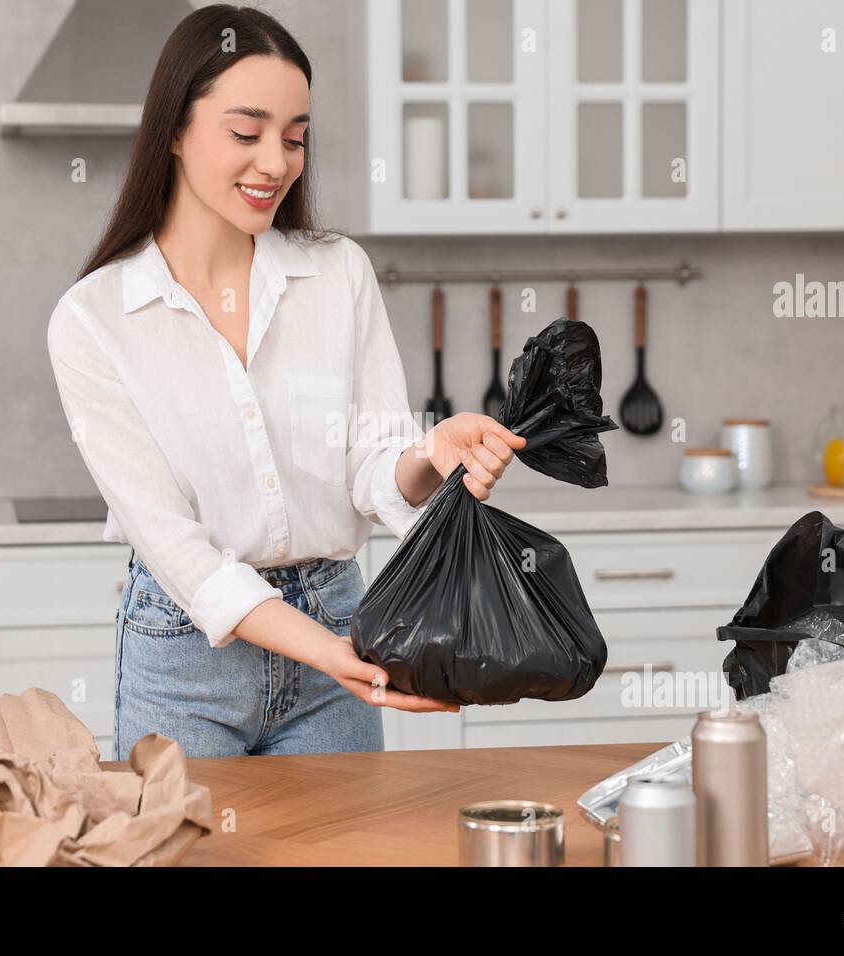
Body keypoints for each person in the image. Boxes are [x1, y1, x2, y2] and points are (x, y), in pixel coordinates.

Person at [47, 5, 525, 759]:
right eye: (246, 133)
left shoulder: (336, 273)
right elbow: (181, 554)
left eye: (295, 137)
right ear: (173, 129)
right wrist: (326, 650)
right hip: (186, 662)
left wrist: (433, 450)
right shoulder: (96, 318)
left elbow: (370, 467)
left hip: (340, 618)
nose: (275, 161)